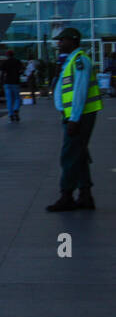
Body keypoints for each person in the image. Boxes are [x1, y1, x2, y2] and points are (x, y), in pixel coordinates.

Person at [47, 28, 101, 212]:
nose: (59, 43)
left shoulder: (80, 60)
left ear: (73, 40)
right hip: (74, 116)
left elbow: (80, 92)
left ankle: (66, 196)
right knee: (79, 154)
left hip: (80, 116)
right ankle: (85, 195)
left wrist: (74, 119)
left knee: (69, 155)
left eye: (62, 40)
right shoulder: (71, 60)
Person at [0, 49, 24, 122]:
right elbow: (22, 70)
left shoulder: (5, 63)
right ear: (13, 55)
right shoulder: (17, 61)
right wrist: (18, 74)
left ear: (7, 55)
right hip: (16, 82)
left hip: (7, 83)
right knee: (17, 98)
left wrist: (1, 82)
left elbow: (2, 73)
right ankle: (16, 109)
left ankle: (11, 114)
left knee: (9, 100)